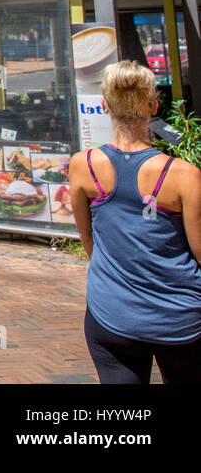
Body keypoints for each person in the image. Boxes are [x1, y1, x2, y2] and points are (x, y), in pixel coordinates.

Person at [71, 60, 201, 383]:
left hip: (112, 315)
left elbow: (90, 240)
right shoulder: (185, 175)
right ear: (154, 105)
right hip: (181, 322)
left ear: (104, 105)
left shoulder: (82, 166)